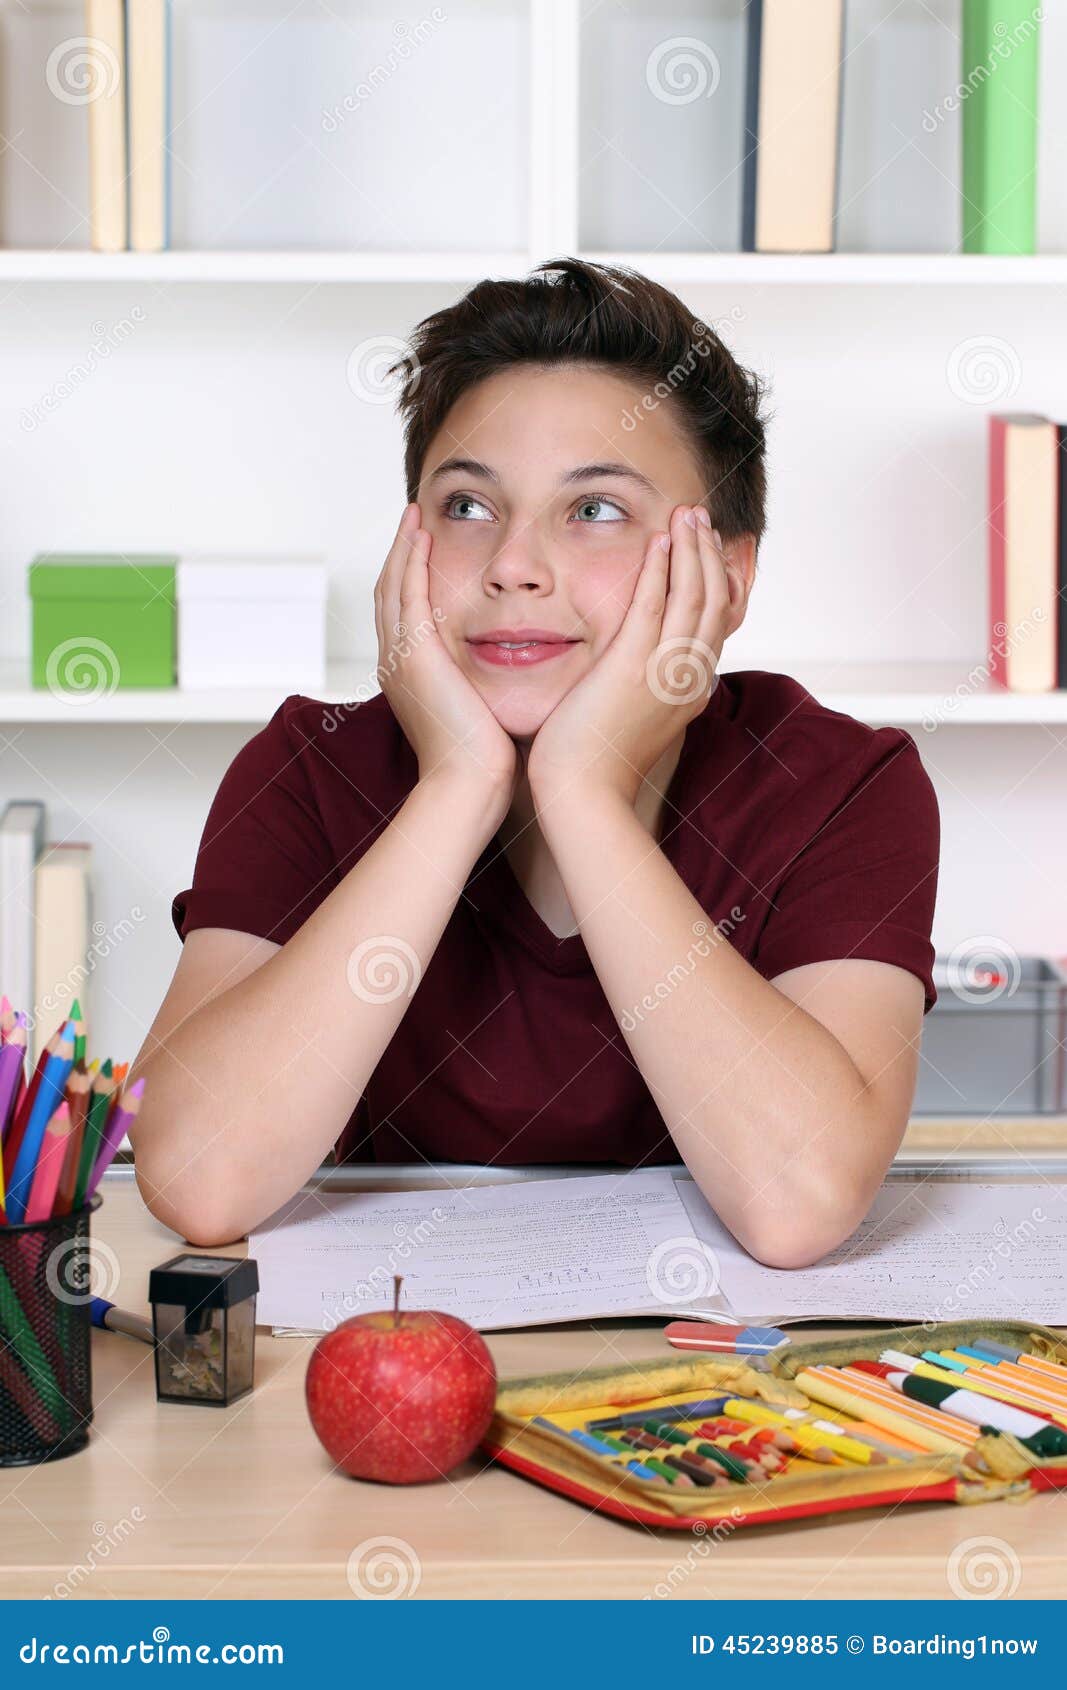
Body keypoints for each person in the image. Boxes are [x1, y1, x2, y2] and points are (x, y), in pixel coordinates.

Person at [129, 258, 939, 1265]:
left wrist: (580, 788)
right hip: (392, 1326)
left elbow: (795, 1206)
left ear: (726, 577)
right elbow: (201, 1181)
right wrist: (456, 785)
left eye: (594, 508)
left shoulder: (840, 785)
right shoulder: (309, 767)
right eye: (468, 505)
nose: (513, 563)